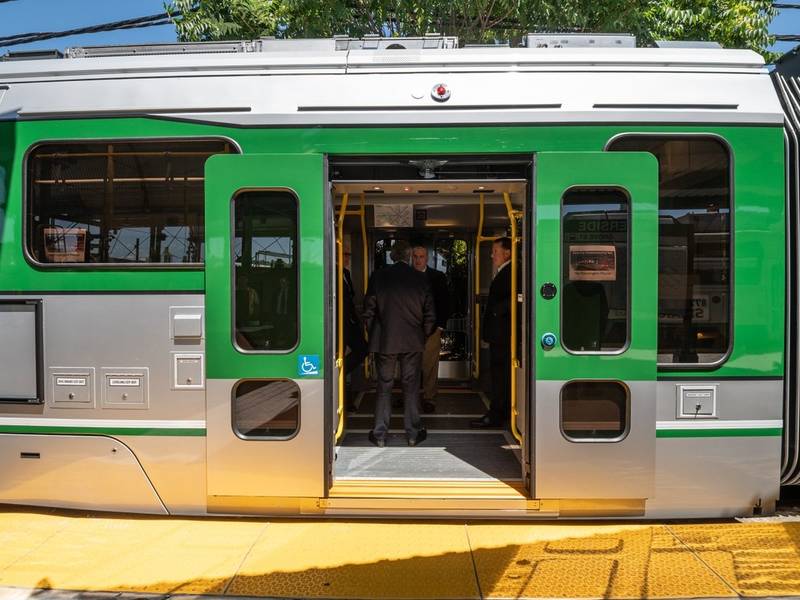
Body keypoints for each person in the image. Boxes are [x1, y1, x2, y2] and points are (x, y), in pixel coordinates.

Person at [363, 240, 435, 447]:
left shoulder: (379, 276)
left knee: (383, 387)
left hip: (384, 341)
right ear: (409, 256)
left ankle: (379, 435)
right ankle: (413, 434)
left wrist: (374, 333)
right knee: (411, 387)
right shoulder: (420, 278)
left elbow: (368, 310)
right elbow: (430, 314)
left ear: (393, 256)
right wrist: (422, 336)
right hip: (412, 341)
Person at [472, 237, 512, 428]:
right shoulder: (503, 271)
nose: (491, 255)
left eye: (495, 251)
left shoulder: (512, 272)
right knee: (500, 374)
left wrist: (497, 311)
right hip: (500, 334)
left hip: (504, 334)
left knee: (500, 375)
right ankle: (501, 410)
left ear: (507, 253)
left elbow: (516, 296)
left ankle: (497, 414)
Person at [412, 245, 451, 413]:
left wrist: (441, 325)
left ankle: (429, 397)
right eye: (415, 256)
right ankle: (410, 397)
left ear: (427, 258)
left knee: (430, 365)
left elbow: (445, 301)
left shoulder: (437, 277)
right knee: (410, 365)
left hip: (433, 328)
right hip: (410, 329)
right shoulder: (405, 277)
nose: (418, 260)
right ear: (411, 257)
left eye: (421, 256)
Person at [341, 247, 368, 378]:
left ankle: (340, 373)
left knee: (362, 349)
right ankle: (337, 376)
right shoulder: (330, 273)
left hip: (350, 321)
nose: (347, 258)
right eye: (345, 254)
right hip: (339, 322)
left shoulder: (346, 273)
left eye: (348, 255)